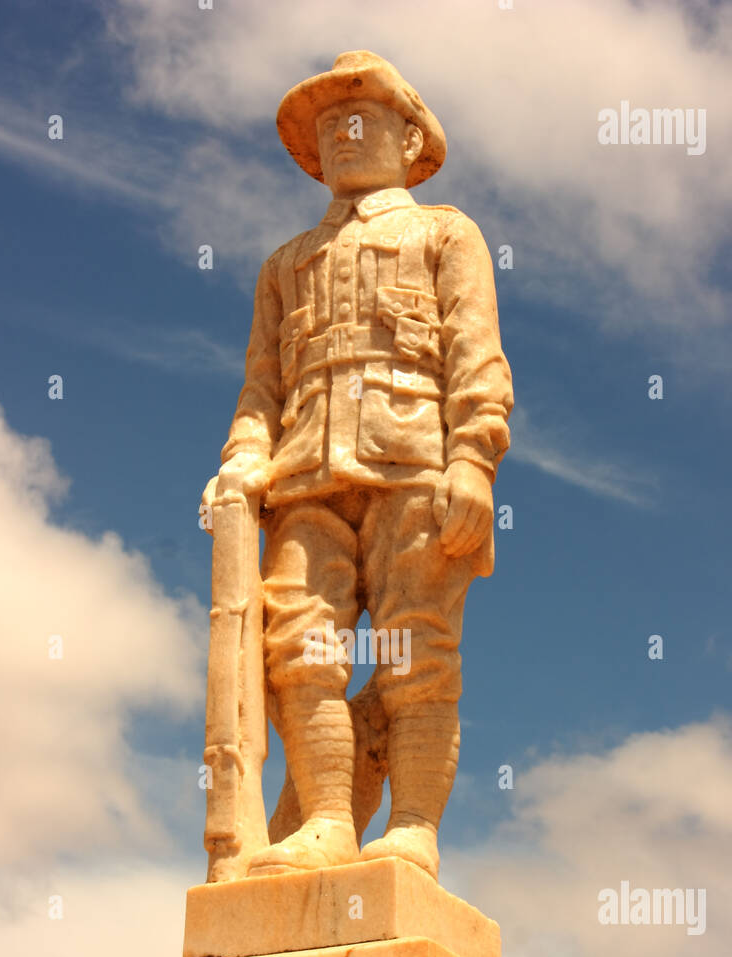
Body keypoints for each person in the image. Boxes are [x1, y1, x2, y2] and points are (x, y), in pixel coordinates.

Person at [201, 51, 513, 880]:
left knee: (417, 652)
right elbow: (262, 386)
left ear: (409, 137)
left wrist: (474, 460)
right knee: (298, 651)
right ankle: (327, 824)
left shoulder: (447, 233)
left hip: (415, 467)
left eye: (359, 119)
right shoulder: (285, 264)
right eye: (327, 127)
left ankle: (412, 828)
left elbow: (476, 358)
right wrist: (243, 458)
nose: (340, 137)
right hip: (302, 481)